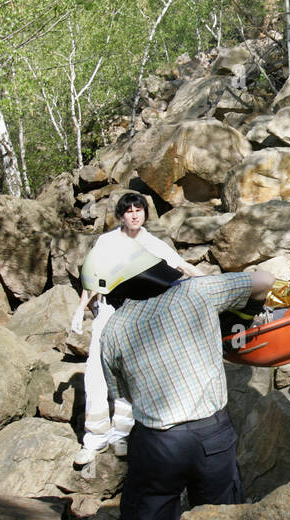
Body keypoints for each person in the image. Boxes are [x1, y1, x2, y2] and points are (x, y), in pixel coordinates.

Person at [81, 234, 274, 520]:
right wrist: (239, 313)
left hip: (156, 444)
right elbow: (263, 280)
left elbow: (124, 397)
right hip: (211, 438)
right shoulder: (197, 292)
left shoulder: (113, 330)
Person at [70, 192, 201, 467]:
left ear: (144, 213)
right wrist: (80, 309)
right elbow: (92, 278)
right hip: (107, 310)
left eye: (138, 210)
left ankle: (121, 434)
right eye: (128, 210)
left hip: (135, 312)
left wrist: (210, 281)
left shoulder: (152, 243)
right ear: (121, 214)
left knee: (128, 372)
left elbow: (180, 265)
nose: (134, 214)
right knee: (95, 370)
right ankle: (93, 438)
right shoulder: (106, 241)